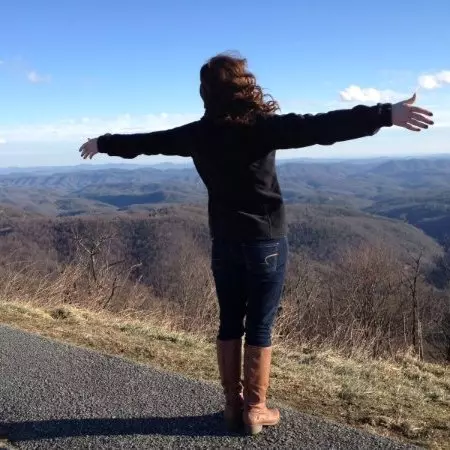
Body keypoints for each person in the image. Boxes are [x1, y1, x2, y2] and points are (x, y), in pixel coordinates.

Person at [79, 53, 433, 435]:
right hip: (265, 242)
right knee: (260, 326)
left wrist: (103, 142)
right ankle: (255, 409)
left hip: (224, 242)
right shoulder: (261, 127)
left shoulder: (197, 134)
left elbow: (147, 142)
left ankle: (232, 406)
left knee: (229, 320)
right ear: (244, 86)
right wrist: (384, 114)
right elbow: (321, 126)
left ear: (206, 93)